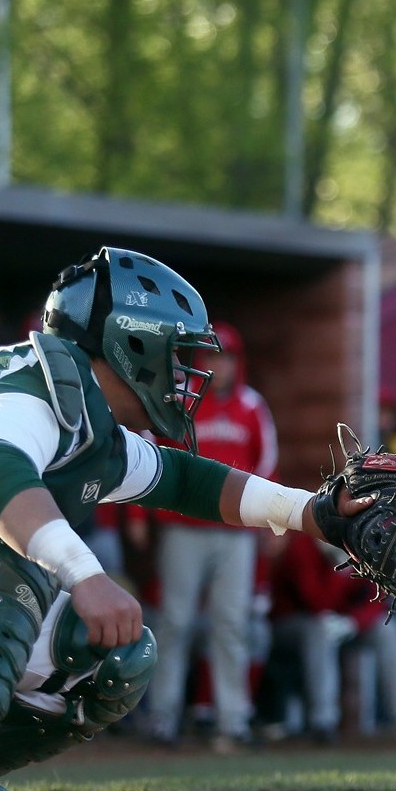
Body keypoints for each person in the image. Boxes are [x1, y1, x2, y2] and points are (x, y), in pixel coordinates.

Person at [0, 247, 373, 791]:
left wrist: (312, 513)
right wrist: (84, 574)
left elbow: (187, 479)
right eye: (177, 353)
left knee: (115, 655)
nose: (187, 374)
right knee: (14, 569)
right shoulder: (31, 391)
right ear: (129, 343)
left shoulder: (88, 416)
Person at [143, 322, 279, 752]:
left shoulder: (252, 405)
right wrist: (139, 514)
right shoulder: (180, 398)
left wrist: (272, 520)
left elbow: (267, 466)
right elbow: (147, 451)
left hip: (234, 531)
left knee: (231, 624)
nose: (220, 365)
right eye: (213, 356)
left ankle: (232, 719)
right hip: (183, 526)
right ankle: (162, 718)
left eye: (228, 357)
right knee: (175, 622)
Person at [262, 531, 396, 743]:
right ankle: (323, 722)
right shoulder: (303, 545)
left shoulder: (363, 544)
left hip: (341, 623)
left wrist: (353, 622)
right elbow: (317, 602)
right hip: (292, 625)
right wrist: (340, 570)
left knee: (388, 629)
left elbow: (380, 599)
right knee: (319, 631)